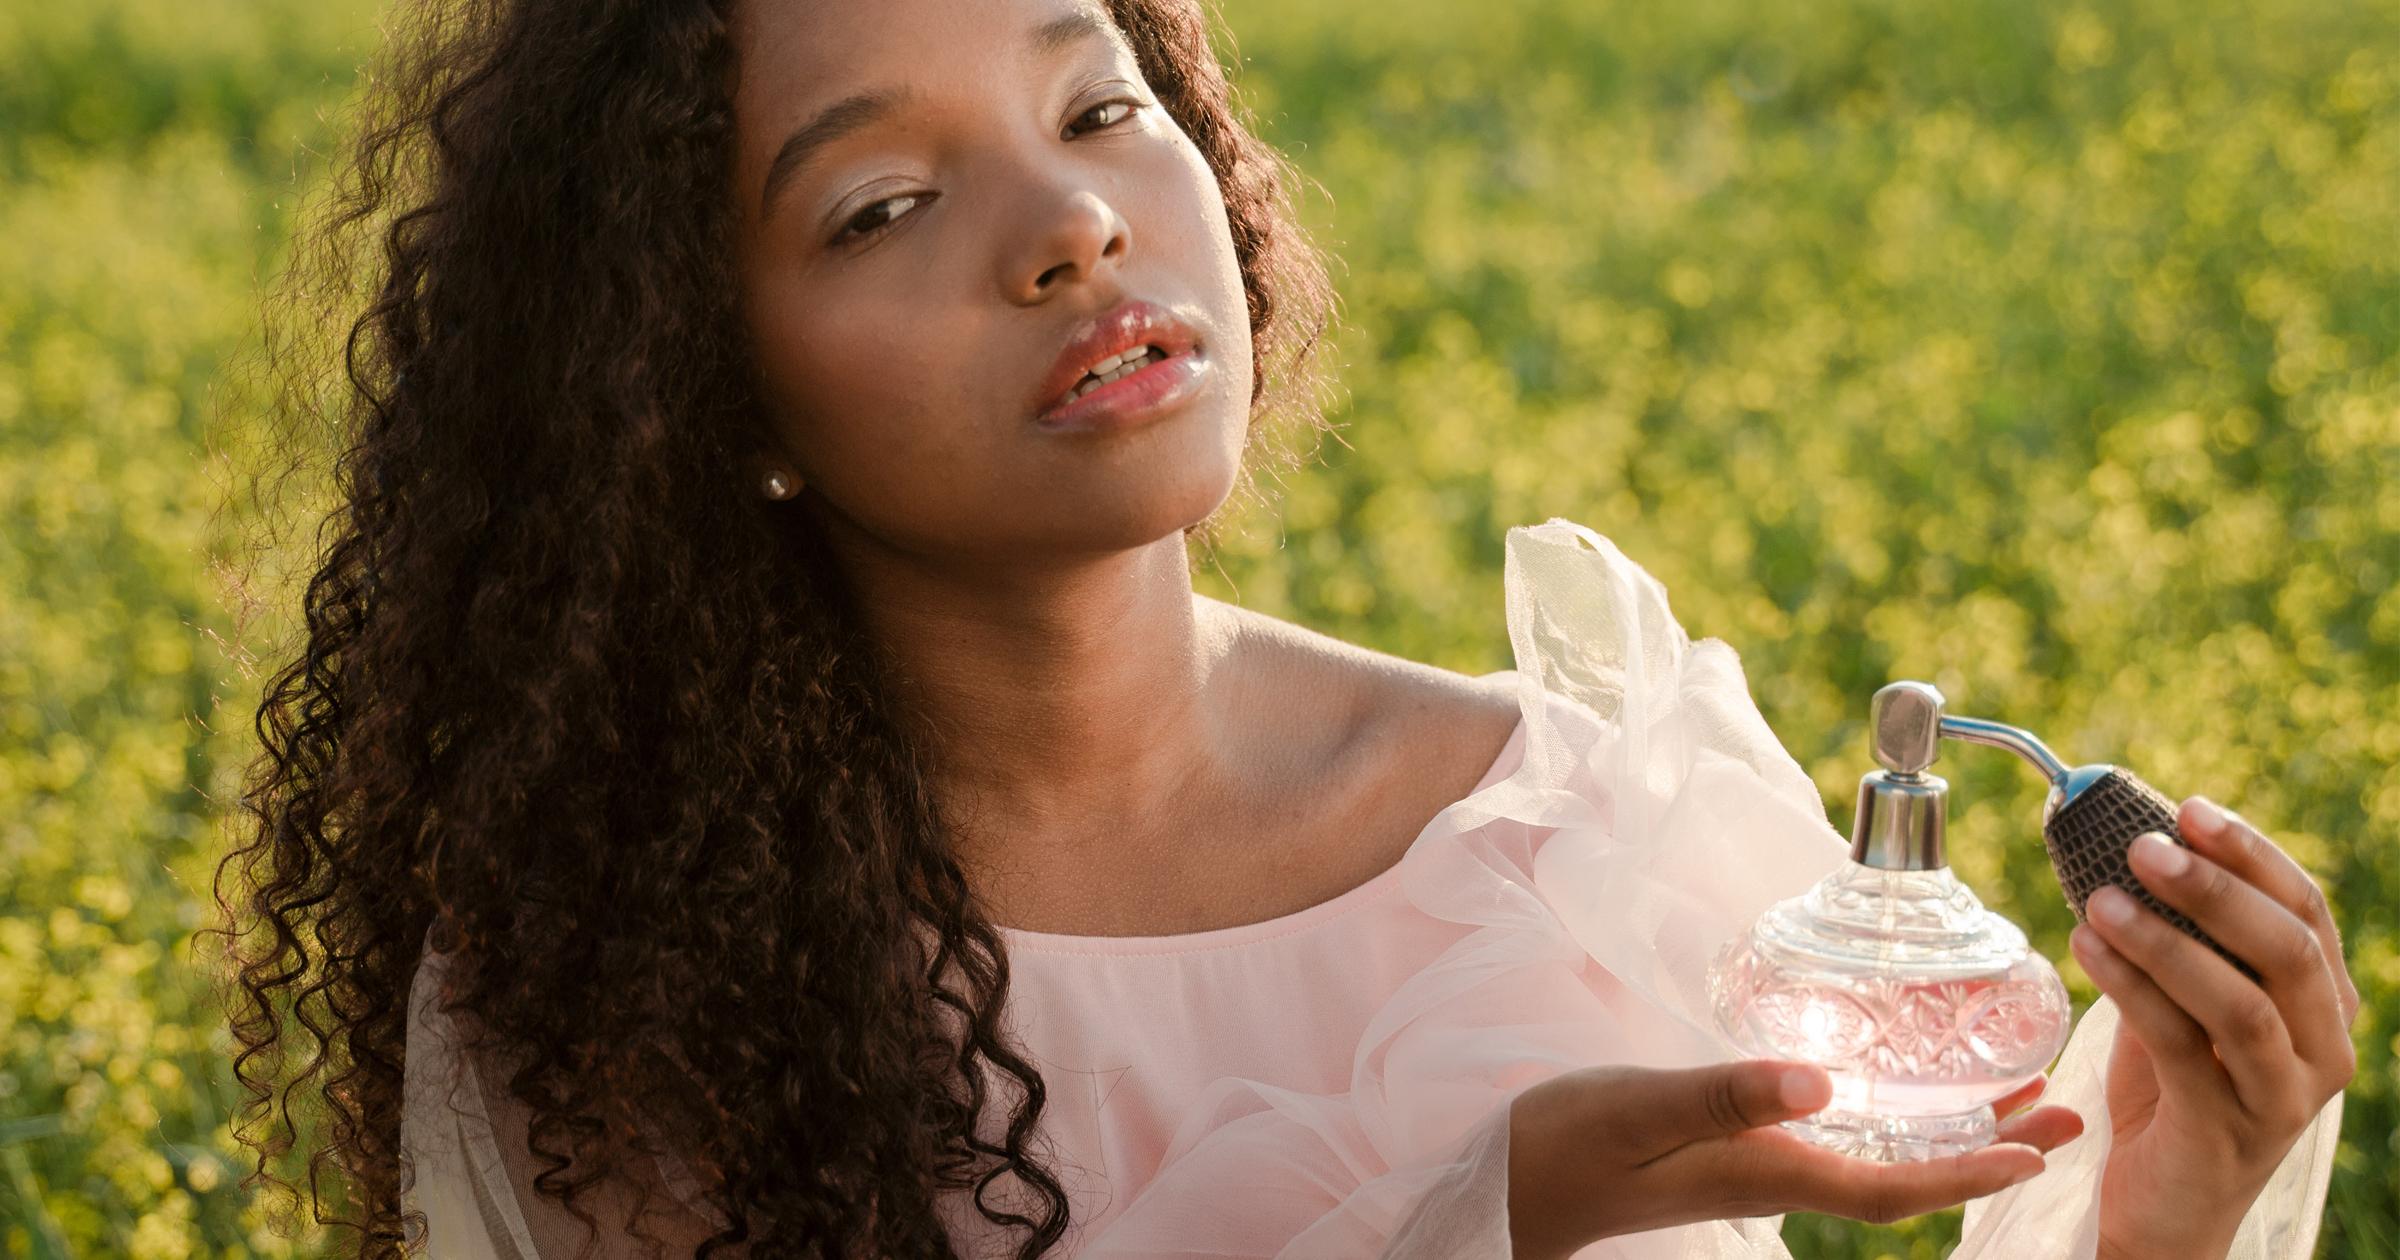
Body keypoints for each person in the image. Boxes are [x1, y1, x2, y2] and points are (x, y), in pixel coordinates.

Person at [214, 0, 2358, 1256]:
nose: (1068, 227)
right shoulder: (619, 982)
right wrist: (1472, 1221)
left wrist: (2156, 1220)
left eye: (1098, 106)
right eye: (883, 206)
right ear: (698, 388)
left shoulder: (1585, 821)